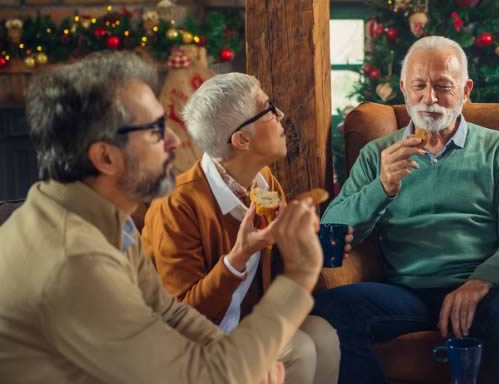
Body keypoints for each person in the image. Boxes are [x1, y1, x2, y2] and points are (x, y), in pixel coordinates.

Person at [0, 52, 322, 384]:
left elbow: (169, 311)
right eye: (155, 130)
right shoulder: (78, 261)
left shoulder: (99, 216)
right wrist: (299, 274)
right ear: (105, 157)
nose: (174, 140)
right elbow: (203, 376)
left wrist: (241, 354)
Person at [312, 36, 499, 384]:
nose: (430, 98)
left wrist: (479, 282)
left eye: (443, 86)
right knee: (329, 312)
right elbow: (332, 226)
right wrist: (382, 187)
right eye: (419, 86)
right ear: (404, 88)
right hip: (408, 293)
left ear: (465, 90)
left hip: (487, 291)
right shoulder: (380, 154)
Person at [142, 72, 342, 384]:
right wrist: (238, 256)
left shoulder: (264, 184)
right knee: (299, 349)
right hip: (187, 346)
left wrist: (301, 246)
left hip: (245, 324)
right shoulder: (178, 204)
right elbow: (181, 316)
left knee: (324, 335)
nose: (281, 116)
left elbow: (272, 279)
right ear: (242, 139)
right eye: (268, 108)